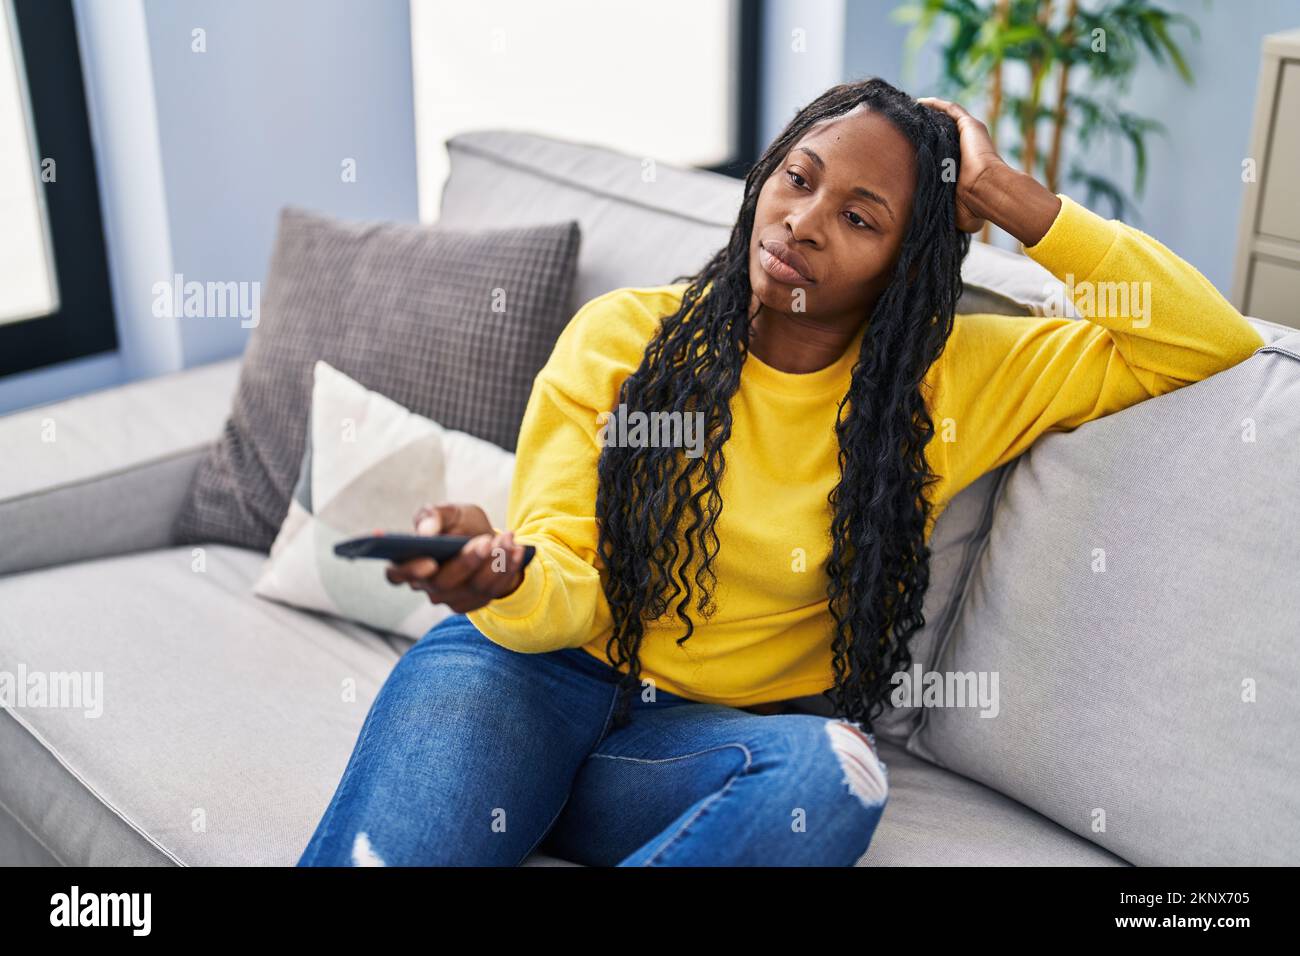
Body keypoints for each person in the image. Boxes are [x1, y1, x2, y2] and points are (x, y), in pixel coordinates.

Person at [297, 77, 1264, 867]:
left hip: (688, 751)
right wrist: (502, 575)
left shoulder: (952, 378)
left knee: (837, 775)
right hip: (525, 677)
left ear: (905, 261)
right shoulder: (625, 340)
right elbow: (573, 579)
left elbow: (1204, 339)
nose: (802, 221)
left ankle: (526, 803)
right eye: (796, 179)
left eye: (858, 216)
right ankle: (503, 787)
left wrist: (1011, 196)